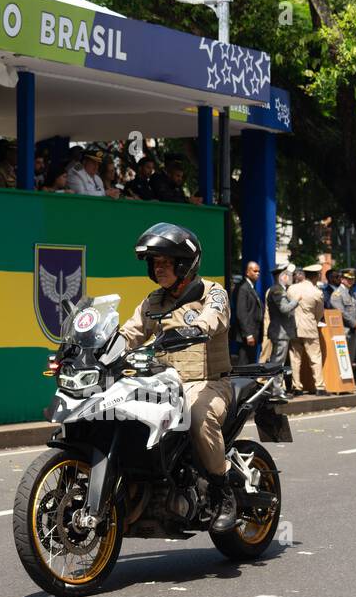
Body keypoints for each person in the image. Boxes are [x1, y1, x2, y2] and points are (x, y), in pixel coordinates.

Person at [121, 223, 238, 532]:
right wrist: (100, 347)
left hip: (209, 383)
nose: (158, 269)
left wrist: (197, 328)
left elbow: (213, 316)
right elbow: (130, 332)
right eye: (154, 264)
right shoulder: (152, 302)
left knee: (198, 414)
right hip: (164, 386)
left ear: (184, 264)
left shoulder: (212, 292)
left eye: (165, 263)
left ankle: (221, 489)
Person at [288, 263, 327, 395]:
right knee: (315, 357)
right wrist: (313, 321)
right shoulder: (317, 292)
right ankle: (320, 387)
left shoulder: (292, 289)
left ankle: (296, 387)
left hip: (293, 327)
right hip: (310, 327)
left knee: (295, 358)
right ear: (316, 276)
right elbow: (319, 313)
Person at [260, 263, 298, 364]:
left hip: (282, 332)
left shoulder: (280, 289)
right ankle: (276, 380)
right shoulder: (277, 290)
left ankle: (277, 380)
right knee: (277, 362)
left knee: (278, 361)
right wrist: (296, 301)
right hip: (280, 333)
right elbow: (284, 308)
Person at [231, 260, 263, 366]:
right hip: (246, 335)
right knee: (244, 363)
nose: (258, 273)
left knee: (251, 362)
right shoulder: (243, 288)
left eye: (258, 271)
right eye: (255, 271)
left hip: (253, 332)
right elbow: (241, 313)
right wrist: (248, 334)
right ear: (247, 272)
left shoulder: (251, 287)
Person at [330, 269, 356, 367]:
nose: (351, 281)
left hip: (353, 330)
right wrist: (355, 323)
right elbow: (341, 312)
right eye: (348, 279)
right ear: (342, 279)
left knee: (350, 358)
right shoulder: (337, 294)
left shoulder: (351, 293)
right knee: (342, 359)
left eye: (352, 279)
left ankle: (349, 380)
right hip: (343, 331)